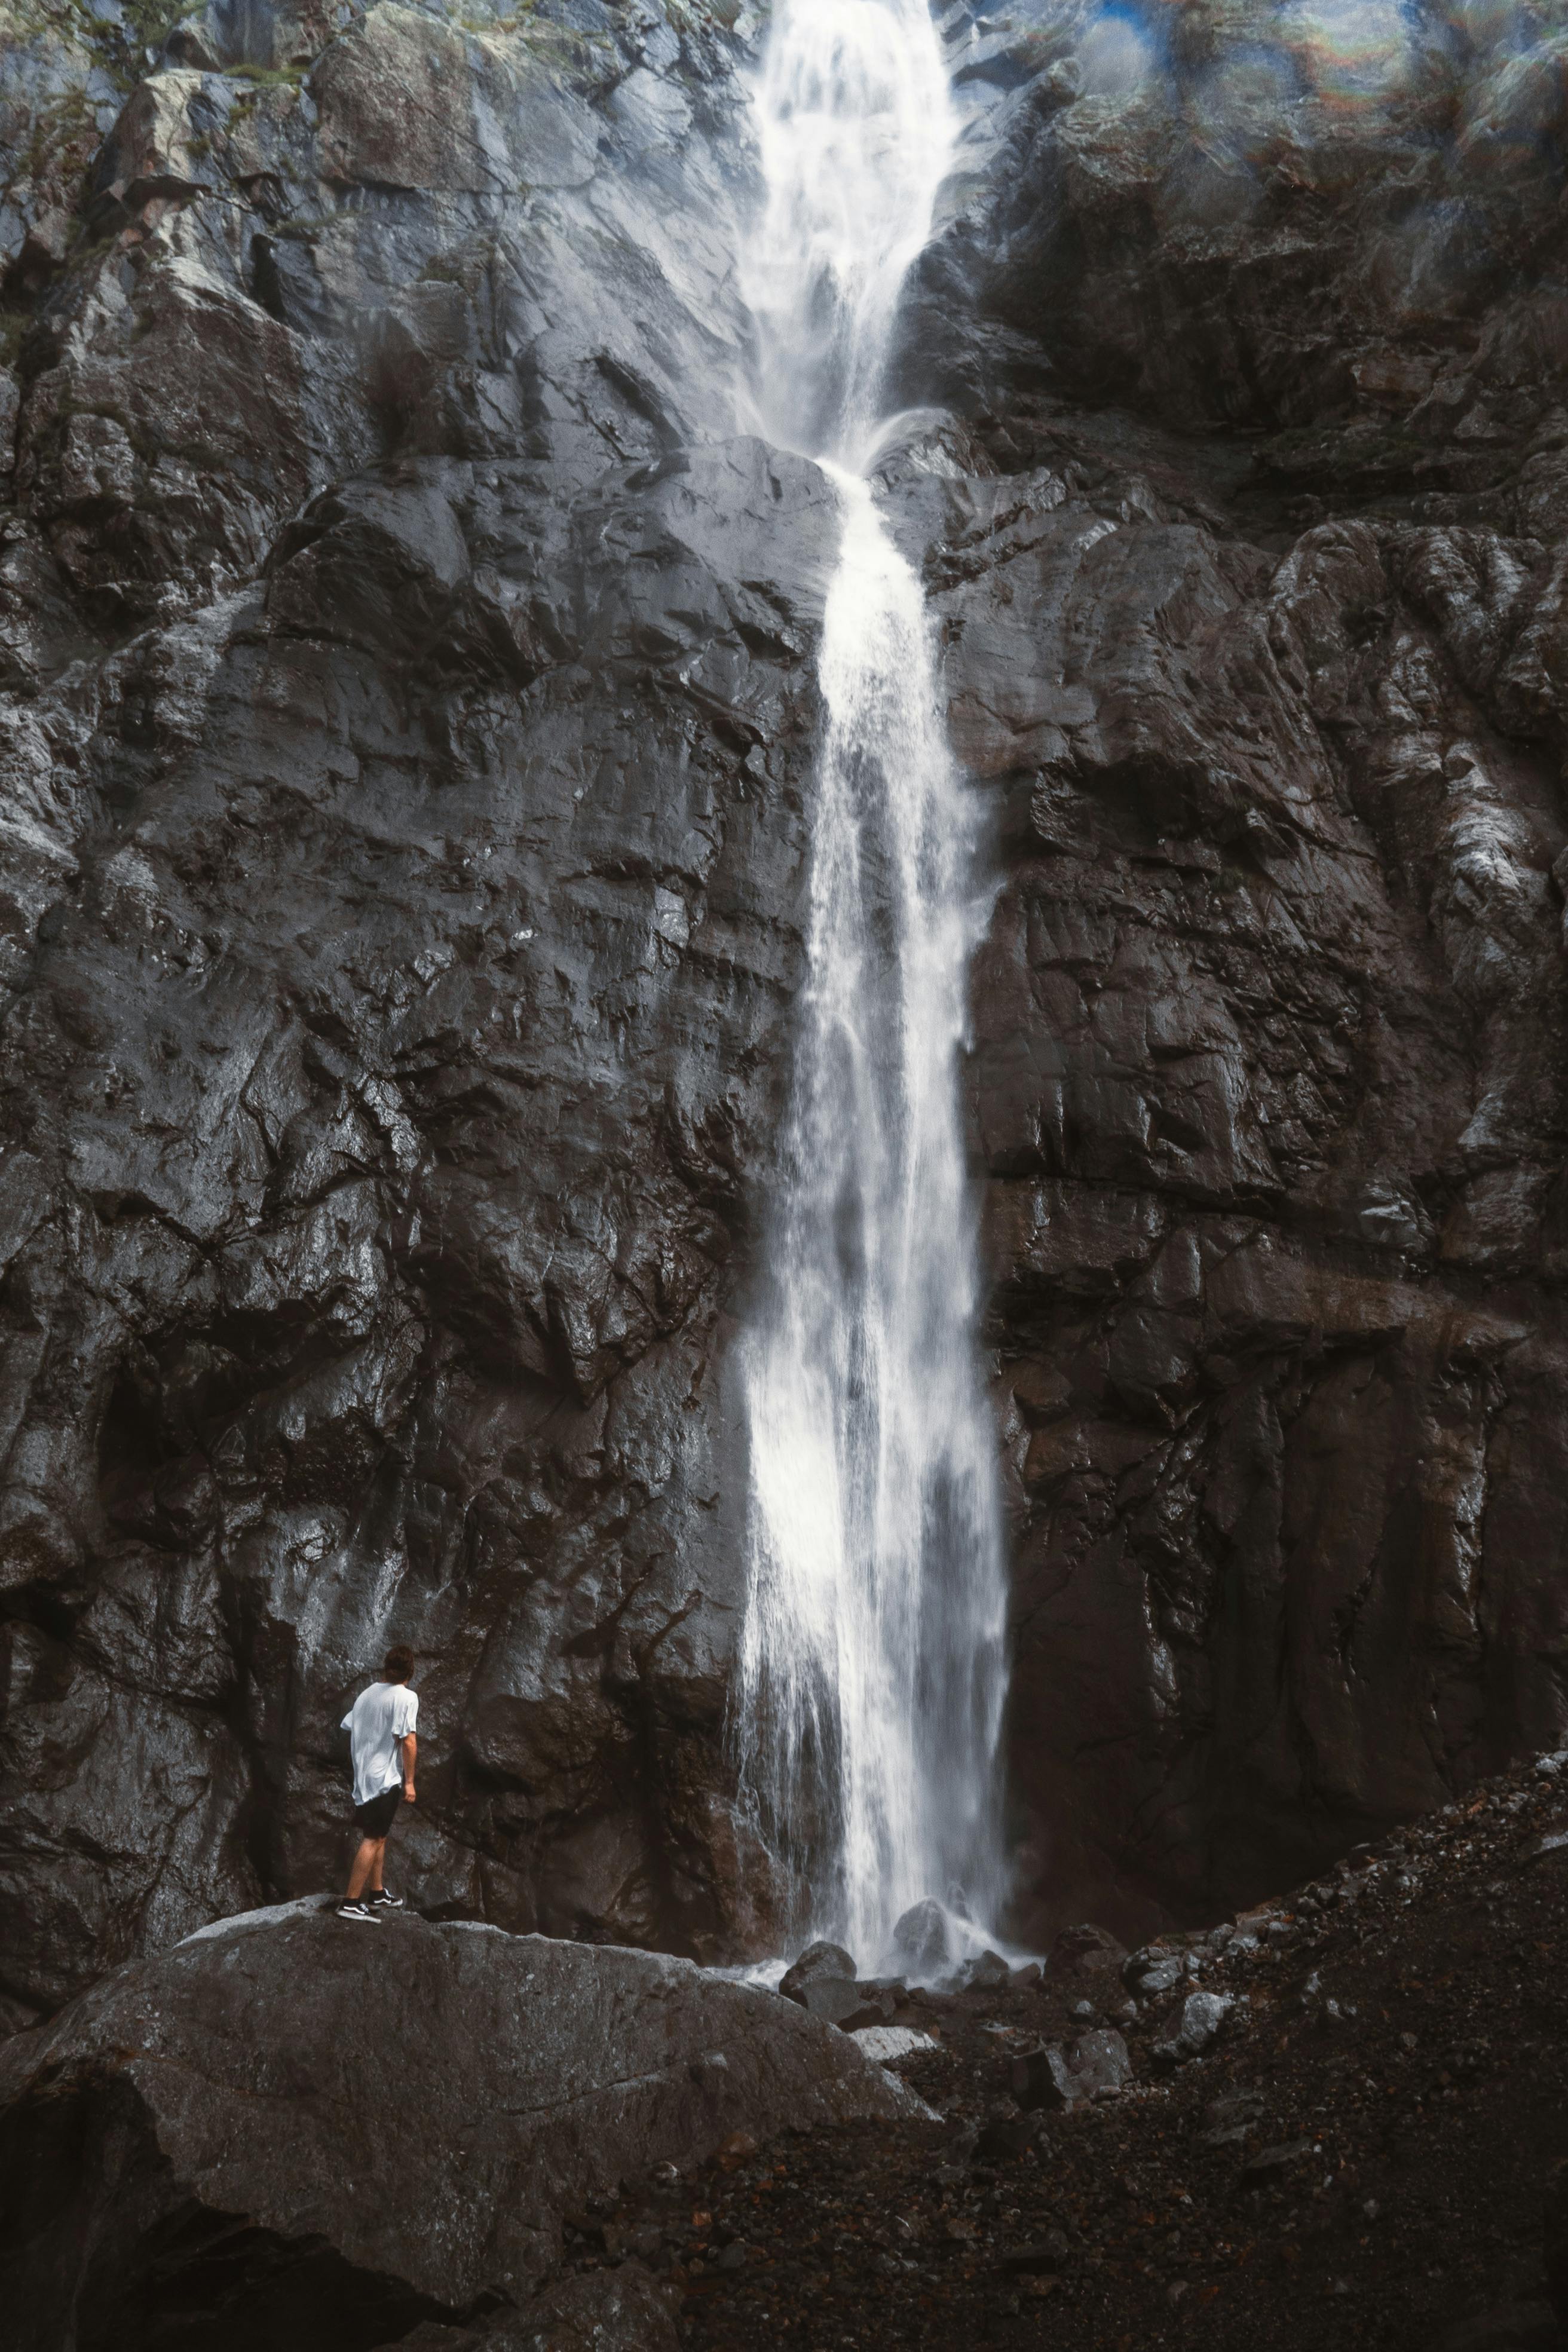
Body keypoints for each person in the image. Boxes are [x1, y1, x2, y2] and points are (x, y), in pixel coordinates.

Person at [337, 1644, 418, 1922]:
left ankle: (377, 1893)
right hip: (383, 1778)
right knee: (373, 1838)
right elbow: (409, 1741)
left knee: (379, 1835)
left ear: (386, 1668)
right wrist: (410, 1782)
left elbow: (350, 1726)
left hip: (364, 1776)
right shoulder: (407, 1697)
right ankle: (350, 1902)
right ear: (410, 1672)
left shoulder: (367, 1694)